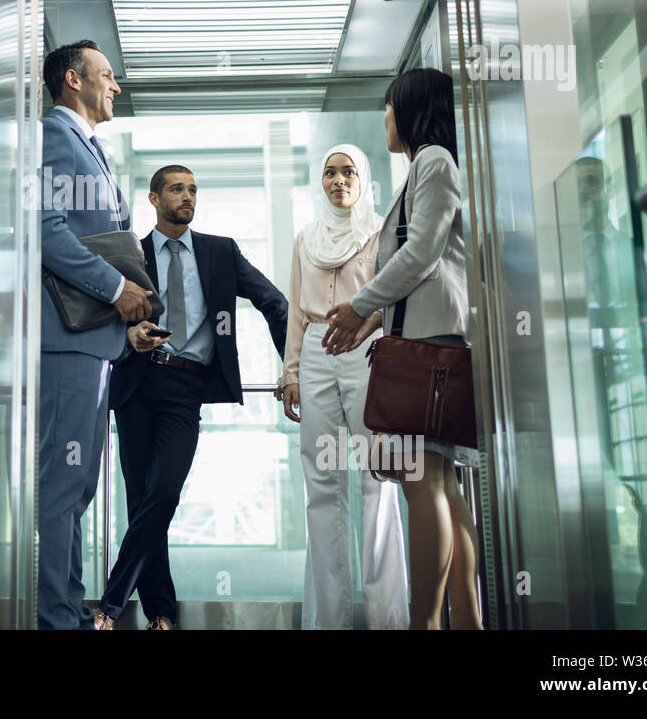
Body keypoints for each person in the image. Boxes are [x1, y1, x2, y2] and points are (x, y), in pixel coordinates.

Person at [321, 68, 483, 630]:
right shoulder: (428, 165)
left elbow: (422, 254)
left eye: (388, 108)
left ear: (411, 110)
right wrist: (374, 319)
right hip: (427, 340)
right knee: (441, 485)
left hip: (429, 348)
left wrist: (363, 305)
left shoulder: (433, 160)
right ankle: (464, 620)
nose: (384, 119)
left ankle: (427, 623)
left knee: (424, 484)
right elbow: (414, 266)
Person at [92, 165, 287, 630]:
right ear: (154, 199)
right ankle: (161, 614)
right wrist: (129, 334)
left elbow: (274, 301)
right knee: (141, 499)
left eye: (193, 189)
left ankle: (111, 604)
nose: (188, 196)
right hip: (137, 385)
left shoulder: (221, 252)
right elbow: (103, 319)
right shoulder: (131, 254)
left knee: (163, 492)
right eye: (177, 189)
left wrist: (294, 367)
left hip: (185, 389)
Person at [38, 39, 154, 630]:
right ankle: (55, 620)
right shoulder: (57, 136)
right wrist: (116, 290)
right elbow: (47, 229)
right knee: (62, 485)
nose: (115, 86)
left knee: (79, 485)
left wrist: (127, 320)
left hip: (97, 342)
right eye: (106, 76)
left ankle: (66, 612)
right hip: (68, 339)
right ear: (71, 80)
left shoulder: (91, 147)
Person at [275, 144, 409, 629]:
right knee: (321, 484)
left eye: (347, 172)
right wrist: (290, 372)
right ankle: (328, 620)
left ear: (362, 177)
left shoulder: (381, 231)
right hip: (315, 350)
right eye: (329, 173)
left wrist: (370, 323)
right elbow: (295, 308)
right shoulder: (306, 237)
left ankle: (389, 619)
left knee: (378, 477)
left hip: (366, 349)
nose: (338, 181)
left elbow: (396, 295)